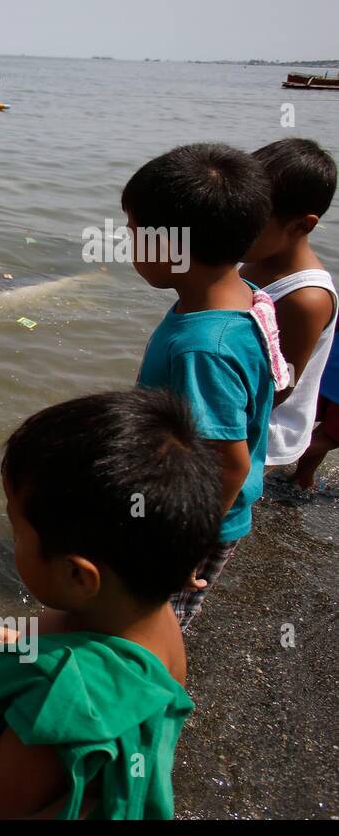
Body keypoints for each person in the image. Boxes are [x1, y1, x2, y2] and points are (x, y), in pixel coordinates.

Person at [0, 389, 221, 819]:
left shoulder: (69, 692)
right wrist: (24, 645)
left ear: (78, 576)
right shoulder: (152, 612)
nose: (13, 543)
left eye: (17, 533)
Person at [125, 143, 286, 631]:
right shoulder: (247, 298)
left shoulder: (203, 348)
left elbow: (227, 461)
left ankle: (146, 695)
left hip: (195, 519)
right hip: (189, 500)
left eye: (133, 234)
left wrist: (184, 547)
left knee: (153, 622)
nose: (128, 246)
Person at [238, 139, 337, 478]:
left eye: (252, 222)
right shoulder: (258, 258)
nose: (237, 231)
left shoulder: (305, 298)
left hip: (264, 429)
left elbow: (281, 385)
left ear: (301, 226)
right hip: (241, 408)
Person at [292, 337, 339, 489]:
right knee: (331, 437)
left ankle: (302, 478)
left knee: (327, 432)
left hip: (327, 366)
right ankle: (261, 460)